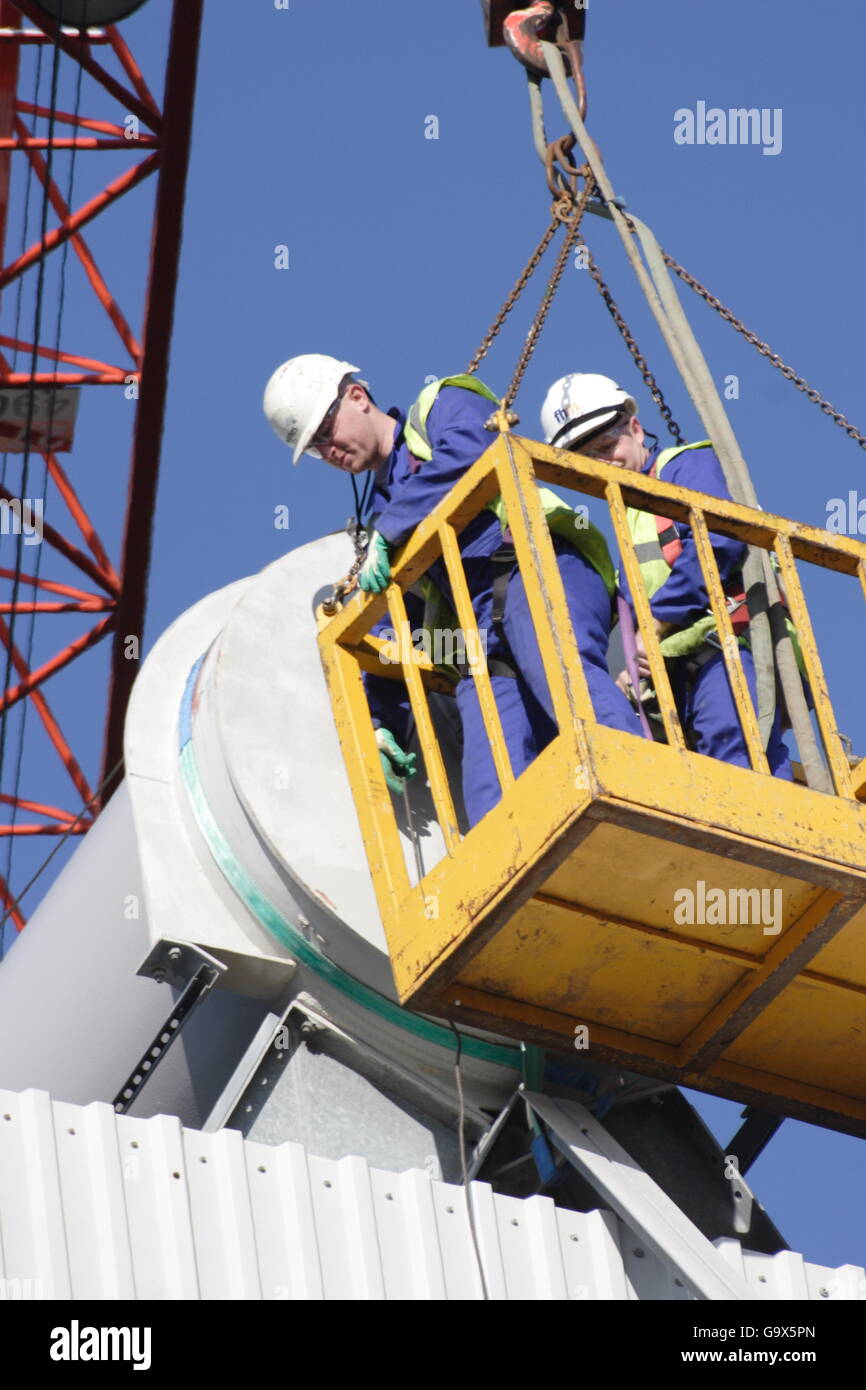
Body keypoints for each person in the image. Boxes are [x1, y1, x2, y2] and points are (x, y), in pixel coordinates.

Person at [264, 355, 643, 825]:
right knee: (489, 753)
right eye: (316, 448)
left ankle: (641, 783)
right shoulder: (382, 521)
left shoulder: (438, 405)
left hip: (538, 564)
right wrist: (381, 725)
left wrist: (395, 527)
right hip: (480, 623)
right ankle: (515, 868)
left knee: (559, 678)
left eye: (326, 430)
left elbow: (470, 445)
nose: (329, 450)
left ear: (357, 397)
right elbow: (387, 631)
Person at [540, 373, 793, 777]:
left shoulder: (685, 467)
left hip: (728, 642)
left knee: (739, 751)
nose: (603, 464)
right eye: (588, 460)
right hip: (681, 669)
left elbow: (720, 536)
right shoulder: (630, 520)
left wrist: (657, 622)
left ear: (636, 429)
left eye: (607, 447)